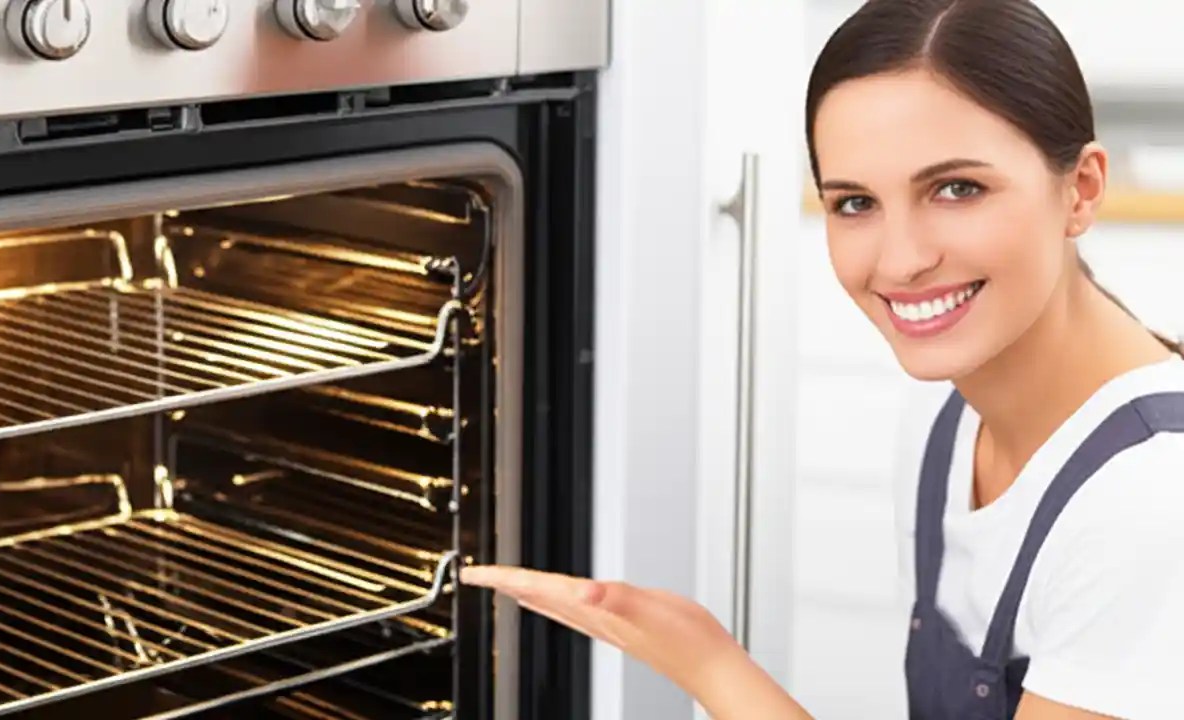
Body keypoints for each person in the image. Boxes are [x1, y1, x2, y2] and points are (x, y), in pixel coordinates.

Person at [462, 0, 1184, 718]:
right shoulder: (944, 416)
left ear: (1081, 189)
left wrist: (709, 663)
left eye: (957, 189)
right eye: (855, 203)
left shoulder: (1151, 503)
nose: (901, 260)